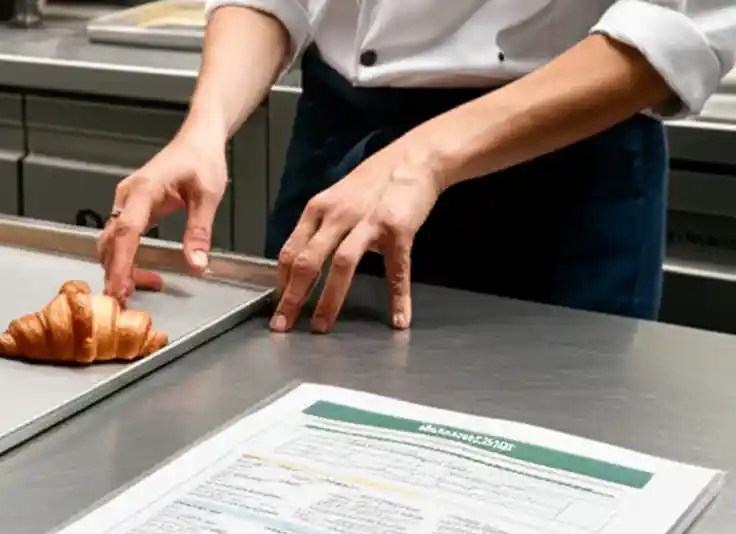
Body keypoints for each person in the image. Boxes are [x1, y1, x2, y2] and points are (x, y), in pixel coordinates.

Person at [98, 2, 736, 333]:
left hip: (555, 161)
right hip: (338, 146)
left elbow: (680, 27)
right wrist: (205, 128)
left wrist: (423, 157)